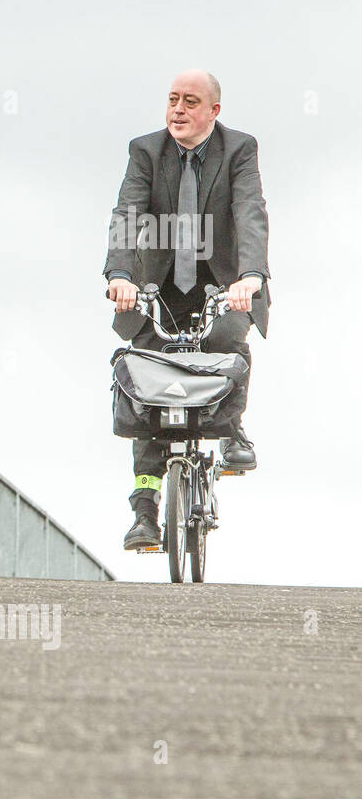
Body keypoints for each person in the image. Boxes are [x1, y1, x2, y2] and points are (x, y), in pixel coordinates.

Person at [104, 70, 269, 551]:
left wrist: (251, 276)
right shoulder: (145, 150)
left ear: (213, 111)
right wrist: (119, 275)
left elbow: (250, 211)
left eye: (190, 102)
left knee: (224, 343)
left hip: (224, 282)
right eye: (172, 99)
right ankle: (145, 511)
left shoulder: (239, 149)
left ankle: (233, 428)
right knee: (150, 384)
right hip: (158, 284)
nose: (177, 109)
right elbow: (127, 212)